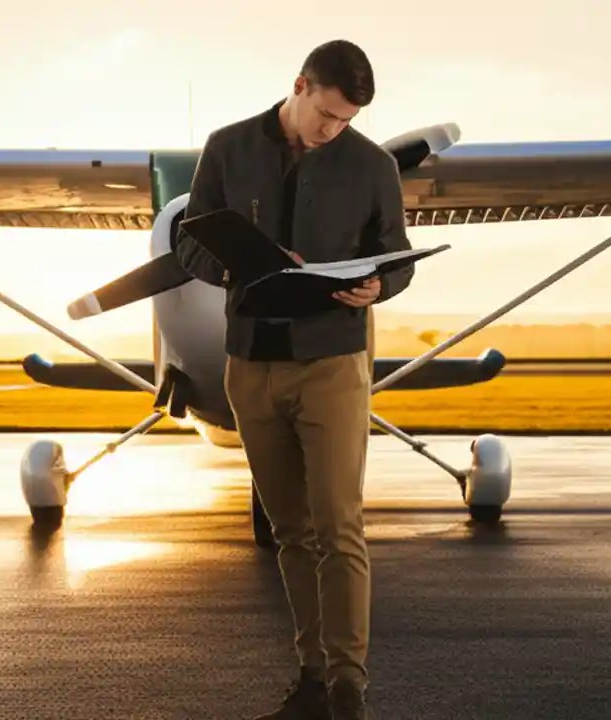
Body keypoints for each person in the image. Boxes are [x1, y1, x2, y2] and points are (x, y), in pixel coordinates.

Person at [175, 39, 414, 720]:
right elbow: (190, 240)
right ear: (301, 86)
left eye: (346, 121)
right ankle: (311, 678)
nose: (334, 131)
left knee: (340, 528)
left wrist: (379, 284)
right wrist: (237, 265)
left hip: (334, 364)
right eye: (328, 116)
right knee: (290, 533)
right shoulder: (226, 148)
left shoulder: (372, 166)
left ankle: (347, 688)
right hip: (250, 365)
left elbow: (397, 257)